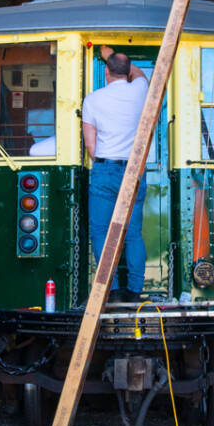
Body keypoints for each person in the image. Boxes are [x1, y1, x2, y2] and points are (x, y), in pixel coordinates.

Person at [82, 46, 149, 302]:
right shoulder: (140, 90)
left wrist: (101, 164)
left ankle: (109, 291)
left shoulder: (93, 99)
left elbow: (91, 144)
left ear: (106, 72)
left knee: (101, 232)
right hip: (133, 170)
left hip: (104, 168)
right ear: (127, 71)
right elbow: (139, 73)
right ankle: (134, 292)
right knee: (132, 234)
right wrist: (112, 55)